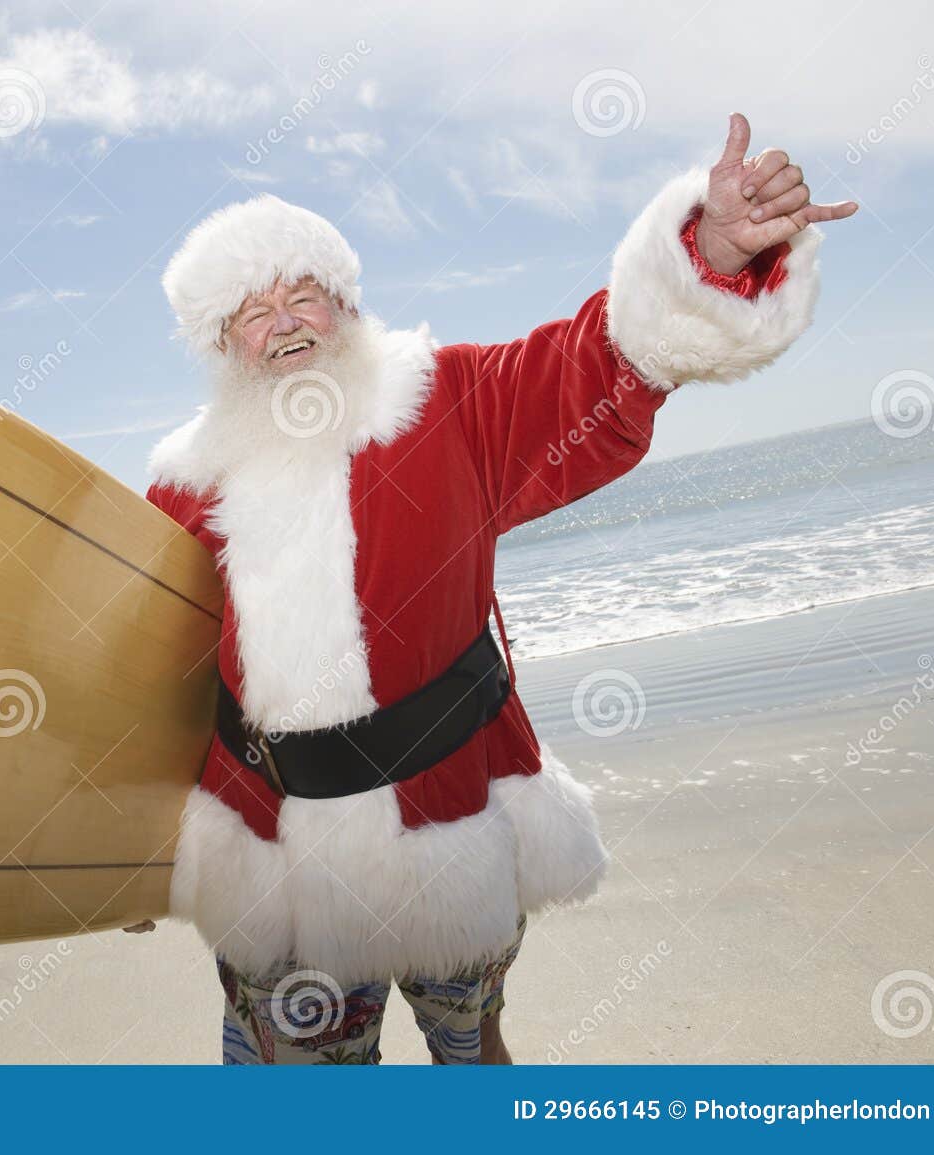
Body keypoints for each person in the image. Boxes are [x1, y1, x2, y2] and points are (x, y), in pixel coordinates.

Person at [132, 113, 858, 1065]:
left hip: (455, 819)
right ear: (223, 344)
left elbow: (589, 371)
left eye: (303, 296)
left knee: (472, 1053)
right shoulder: (183, 485)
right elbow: (146, 680)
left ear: (344, 306)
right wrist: (119, 846)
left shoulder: (449, 399)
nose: (286, 324)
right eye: (253, 312)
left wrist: (708, 255)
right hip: (274, 859)